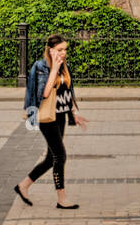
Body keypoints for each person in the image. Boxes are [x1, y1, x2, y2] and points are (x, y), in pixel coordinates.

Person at [15, 36, 87, 209]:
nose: (63, 53)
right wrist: (54, 68)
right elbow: (44, 94)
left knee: (50, 158)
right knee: (60, 156)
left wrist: (74, 112)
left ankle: (23, 186)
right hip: (47, 116)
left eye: (65, 49)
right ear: (50, 50)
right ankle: (61, 199)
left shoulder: (65, 67)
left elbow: (68, 91)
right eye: (60, 50)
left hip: (60, 115)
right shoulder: (40, 67)